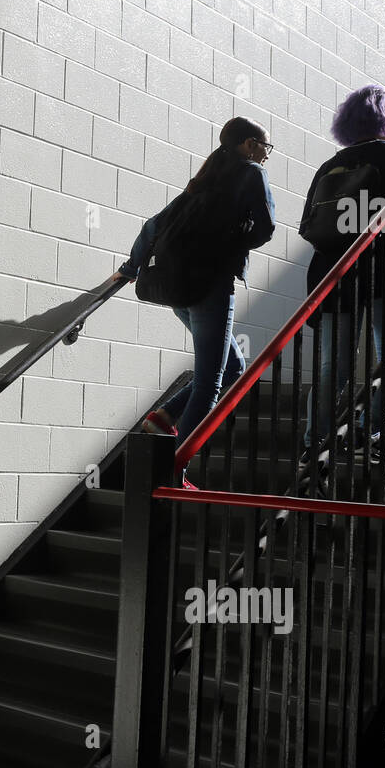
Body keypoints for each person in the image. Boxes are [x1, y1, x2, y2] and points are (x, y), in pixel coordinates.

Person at [112, 116, 276, 489]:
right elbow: (266, 229)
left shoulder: (203, 179)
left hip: (178, 292)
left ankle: (165, 416)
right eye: (266, 147)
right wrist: (233, 241)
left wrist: (129, 268)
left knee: (234, 366)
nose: (267, 155)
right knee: (210, 383)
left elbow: (152, 225)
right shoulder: (251, 172)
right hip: (210, 287)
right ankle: (174, 470)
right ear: (249, 145)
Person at [300, 84, 385, 469]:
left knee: (332, 367)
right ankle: (367, 431)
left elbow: (310, 226)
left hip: (333, 273)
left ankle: (315, 445)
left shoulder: (330, 166)